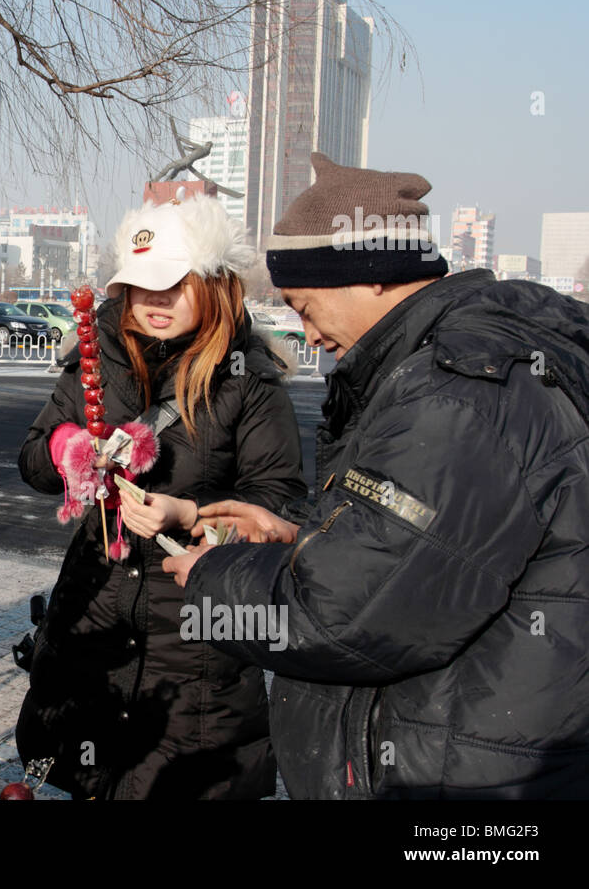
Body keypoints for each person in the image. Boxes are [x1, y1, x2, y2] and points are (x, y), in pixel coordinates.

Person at [164, 153, 589, 798]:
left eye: (306, 307)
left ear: (372, 276)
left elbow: (339, 615)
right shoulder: (462, 364)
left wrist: (210, 576)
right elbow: (421, 553)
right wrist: (297, 537)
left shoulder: (456, 393)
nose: (306, 335)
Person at [16, 194, 307, 798]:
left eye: (173, 285)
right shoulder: (95, 360)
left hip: (196, 641)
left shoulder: (248, 381)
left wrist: (193, 515)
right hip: (93, 621)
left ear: (216, 283)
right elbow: (34, 457)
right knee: (91, 776)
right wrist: (67, 452)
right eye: (140, 285)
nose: (154, 300)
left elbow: (279, 509)